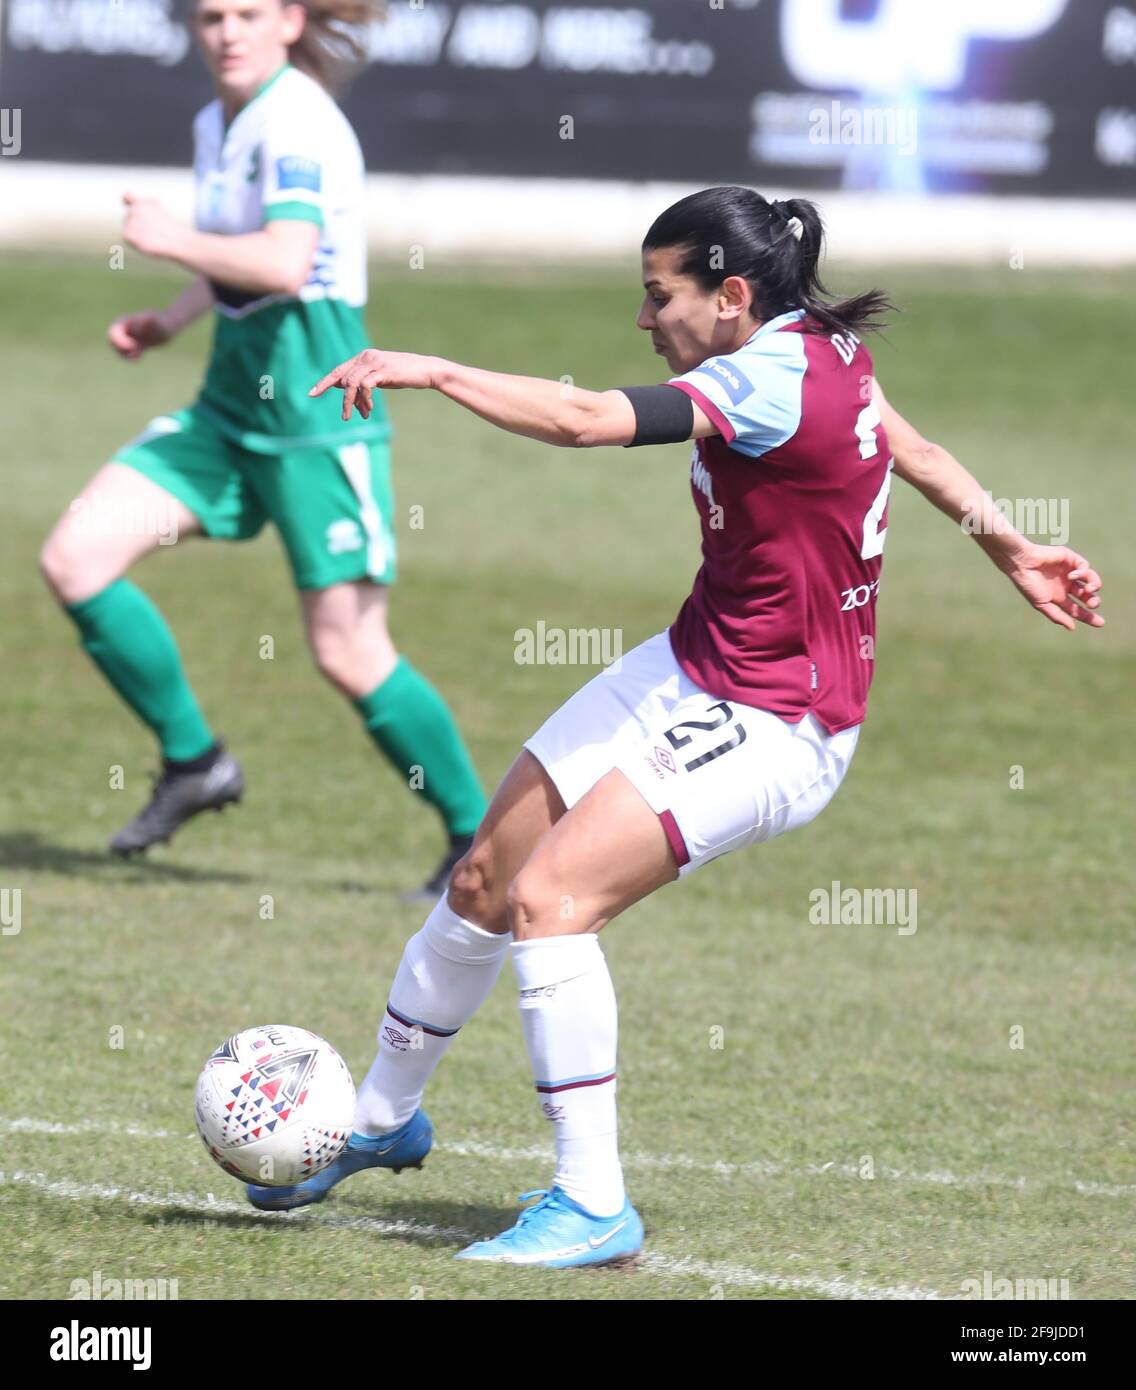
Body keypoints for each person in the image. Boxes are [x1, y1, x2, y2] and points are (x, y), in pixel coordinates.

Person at [243, 186, 1104, 1267]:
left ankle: (591, 1204)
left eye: (659, 297)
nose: (643, 320)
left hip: (777, 720)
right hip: (691, 663)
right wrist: (1011, 546)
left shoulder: (761, 378)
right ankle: (379, 1117)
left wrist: (432, 369)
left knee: (550, 904)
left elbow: (582, 420)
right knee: (482, 879)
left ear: (731, 295)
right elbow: (912, 446)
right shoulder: (821, 351)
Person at [39, 0, 486, 900]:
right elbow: (236, 260)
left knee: (348, 652)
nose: (228, 32)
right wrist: (168, 320)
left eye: (248, 13)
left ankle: (478, 840)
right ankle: (194, 762)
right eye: (210, 16)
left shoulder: (298, 121)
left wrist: (167, 239)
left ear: (289, 20)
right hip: (227, 410)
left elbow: (285, 262)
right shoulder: (220, 119)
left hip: (319, 413)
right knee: (77, 557)